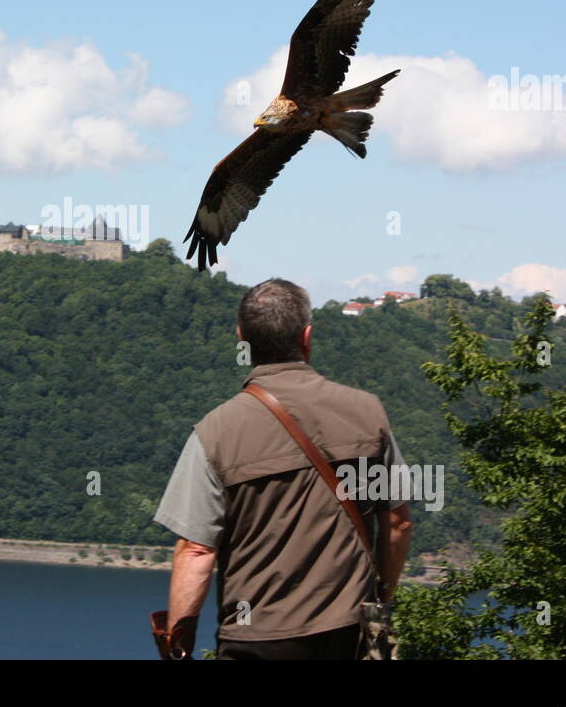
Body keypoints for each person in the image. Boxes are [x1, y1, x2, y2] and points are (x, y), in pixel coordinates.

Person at [153, 278, 412, 659]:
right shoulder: (368, 413)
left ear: (242, 341)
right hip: (348, 634)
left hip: (254, 640)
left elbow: (195, 551)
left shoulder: (215, 431)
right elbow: (398, 523)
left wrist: (178, 645)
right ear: (307, 337)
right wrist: (382, 598)